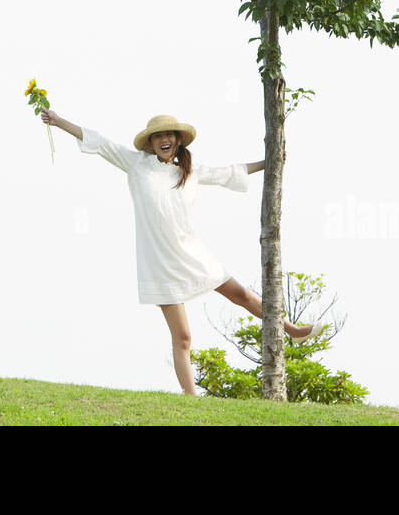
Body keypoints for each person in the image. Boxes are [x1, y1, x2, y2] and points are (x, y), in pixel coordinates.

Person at [40, 108, 327, 396]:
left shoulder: (189, 171)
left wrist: (269, 162)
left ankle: (292, 330)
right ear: (151, 143)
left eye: (169, 135)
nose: (164, 140)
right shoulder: (136, 164)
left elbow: (227, 173)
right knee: (183, 338)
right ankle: (192, 401)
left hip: (192, 254)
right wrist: (58, 121)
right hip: (160, 265)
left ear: (178, 140)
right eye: (158, 136)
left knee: (242, 295)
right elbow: (100, 142)